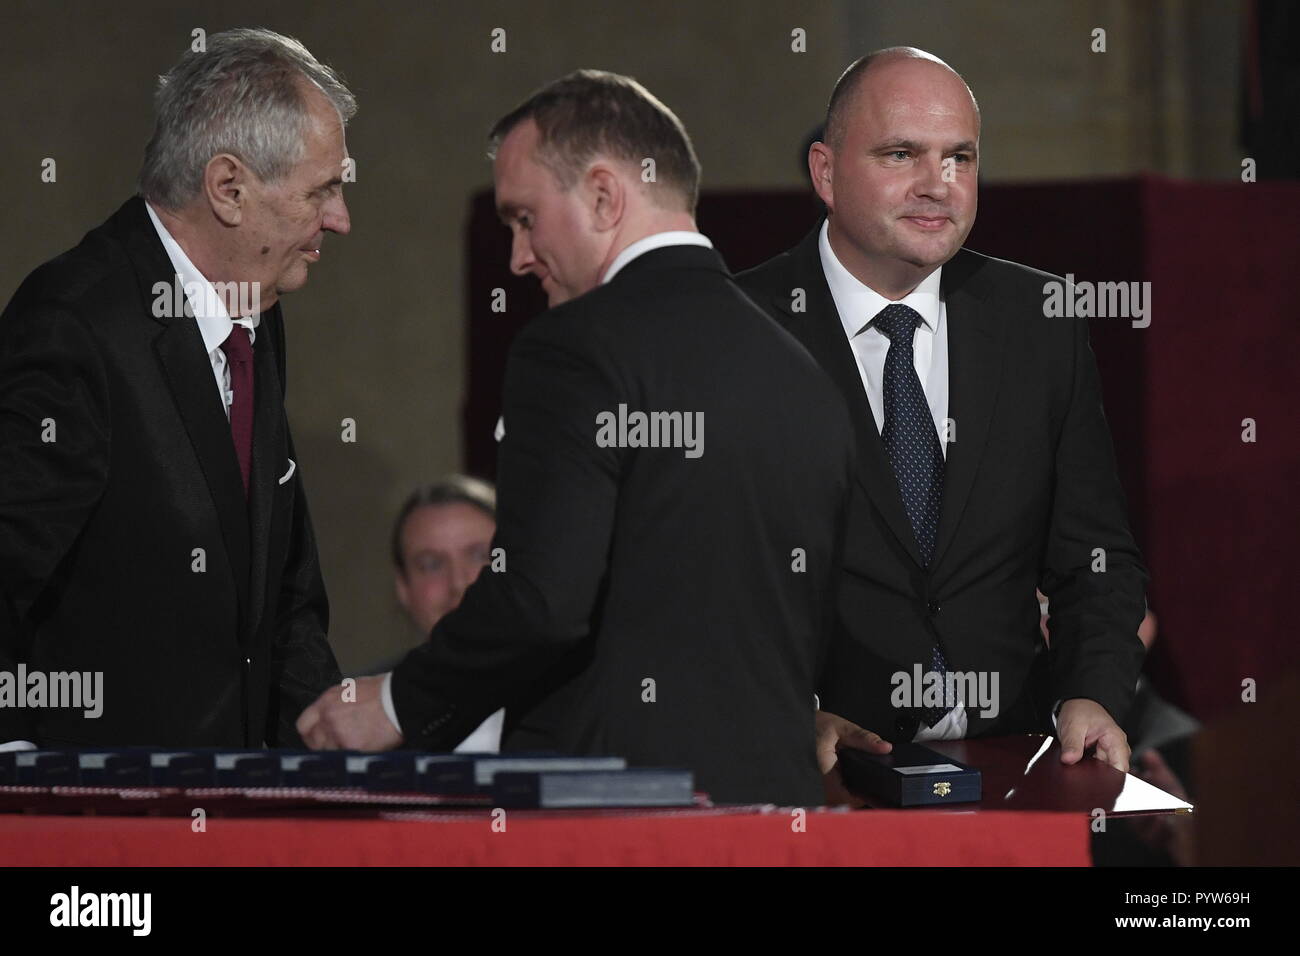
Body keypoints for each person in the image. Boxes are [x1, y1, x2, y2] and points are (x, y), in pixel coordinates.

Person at [298, 70, 856, 806]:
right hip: (782, 814)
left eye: (524, 218)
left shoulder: (572, 348)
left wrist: (395, 705)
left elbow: (542, 600)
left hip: (620, 818)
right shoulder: (805, 371)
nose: (517, 258)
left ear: (602, 195)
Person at [736, 48, 1148, 778]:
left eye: (960, 157)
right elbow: (695, 581)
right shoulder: (739, 329)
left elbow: (1096, 557)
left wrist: (1091, 691)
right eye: (902, 154)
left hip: (1013, 763)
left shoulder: (1040, 321)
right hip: (821, 778)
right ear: (825, 173)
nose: (939, 185)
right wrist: (779, 712)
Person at [0, 28, 350, 749]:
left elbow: (282, 592)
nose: (339, 220)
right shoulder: (75, 325)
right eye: (323, 190)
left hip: (238, 809)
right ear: (228, 189)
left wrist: (326, 765)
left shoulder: (255, 305)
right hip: (103, 815)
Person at [383, 477, 504, 752]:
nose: (459, 583)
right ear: (403, 587)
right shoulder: (359, 715)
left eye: (480, 556)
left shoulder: (583, 702)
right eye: (432, 564)